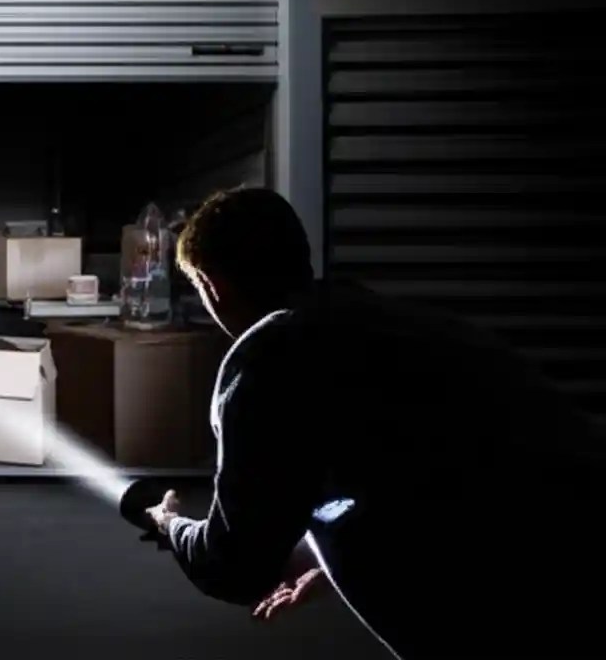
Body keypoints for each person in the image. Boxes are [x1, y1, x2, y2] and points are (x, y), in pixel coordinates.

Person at [144, 187, 605, 660]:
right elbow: (438, 470)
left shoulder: (269, 354)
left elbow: (234, 568)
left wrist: (171, 525)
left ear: (212, 285)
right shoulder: (398, 323)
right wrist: (321, 555)